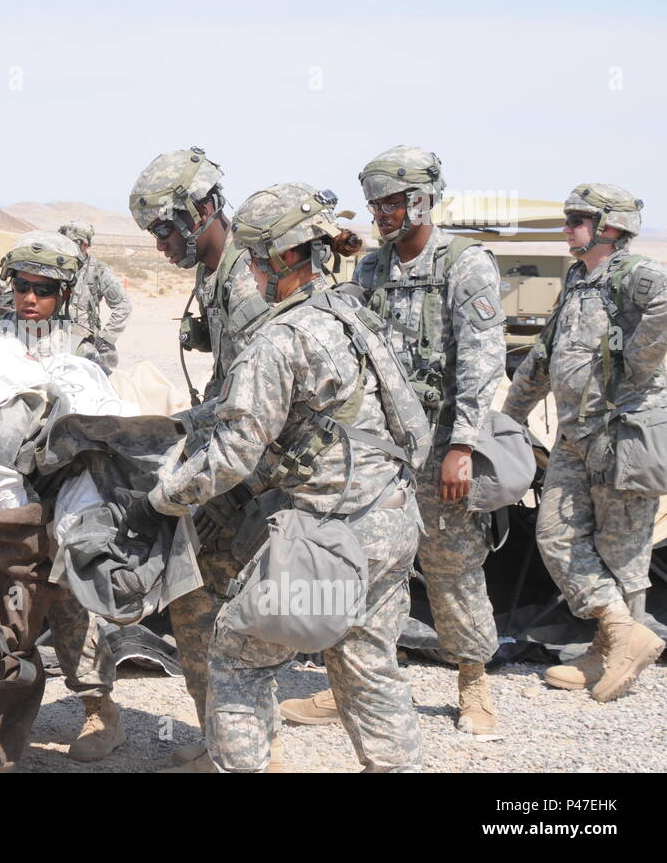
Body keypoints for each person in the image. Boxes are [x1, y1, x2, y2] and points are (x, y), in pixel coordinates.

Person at [128, 182, 430, 772]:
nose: (256, 272)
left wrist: (162, 500)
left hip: (330, 536)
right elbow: (412, 425)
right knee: (369, 667)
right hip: (393, 520)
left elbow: (234, 456)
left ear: (287, 257)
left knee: (239, 656)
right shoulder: (352, 315)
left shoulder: (279, 337)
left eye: (260, 257)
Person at [281, 145, 507, 734]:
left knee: (452, 564)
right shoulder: (374, 267)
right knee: (368, 564)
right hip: (381, 449)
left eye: (390, 201)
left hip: (440, 449)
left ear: (422, 198)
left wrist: (461, 447)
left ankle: (474, 684)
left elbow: (482, 364)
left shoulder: (466, 264)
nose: (380, 213)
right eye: (374, 203)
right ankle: (353, 686)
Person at [127, 147, 268, 767]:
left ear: (204, 208)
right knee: (199, 610)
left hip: (255, 475)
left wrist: (190, 434)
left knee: (238, 623)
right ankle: (225, 742)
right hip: (227, 462)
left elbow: (260, 401)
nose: (160, 244)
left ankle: (248, 750)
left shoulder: (247, 283)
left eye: (166, 228)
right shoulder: (210, 276)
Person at [502, 183, 667, 701]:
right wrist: (510, 418)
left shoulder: (637, 274)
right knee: (556, 535)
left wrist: (632, 368)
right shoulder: (578, 278)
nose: (567, 227)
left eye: (578, 219)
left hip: (625, 433)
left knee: (624, 549)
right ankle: (620, 631)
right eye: (569, 218)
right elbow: (547, 352)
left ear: (610, 226)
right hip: (577, 433)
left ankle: (612, 657)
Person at [0, 231, 123, 759]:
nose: (30, 298)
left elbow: (97, 416)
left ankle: (99, 711)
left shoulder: (81, 345)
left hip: (58, 494)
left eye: (43, 289)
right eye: (22, 286)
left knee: (68, 602)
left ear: (64, 292)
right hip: (0, 496)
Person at [58, 219, 133, 371]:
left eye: (69, 243)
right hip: (55, 339)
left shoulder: (98, 271)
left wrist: (106, 338)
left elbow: (123, 306)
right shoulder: (55, 267)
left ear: (84, 245)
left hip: (84, 343)